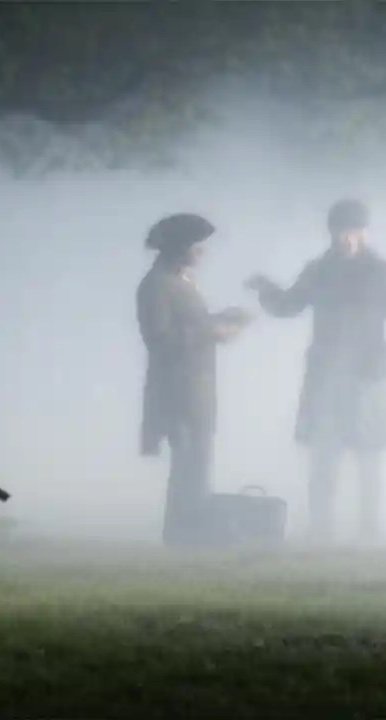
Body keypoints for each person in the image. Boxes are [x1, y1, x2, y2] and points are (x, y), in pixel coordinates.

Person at [245, 199, 386, 544]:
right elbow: (288, 305)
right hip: (325, 375)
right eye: (340, 231)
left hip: (368, 374)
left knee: (368, 455)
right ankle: (321, 528)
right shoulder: (319, 270)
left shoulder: (381, 271)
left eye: (352, 231)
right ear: (331, 232)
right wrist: (265, 289)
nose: (345, 238)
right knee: (324, 453)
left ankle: (369, 529)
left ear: (364, 232)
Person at [136, 213, 252, 547]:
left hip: (195, 388)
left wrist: (223, 319)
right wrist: (213, 331)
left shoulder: (180, 281)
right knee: (187, 467)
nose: (202, 252)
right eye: (197, 246)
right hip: (176, 390)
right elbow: (159, 338)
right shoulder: (157, 284)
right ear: (180, 248)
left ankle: (189, 537)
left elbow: (190, 326)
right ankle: (180, 539)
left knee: (196, 467)